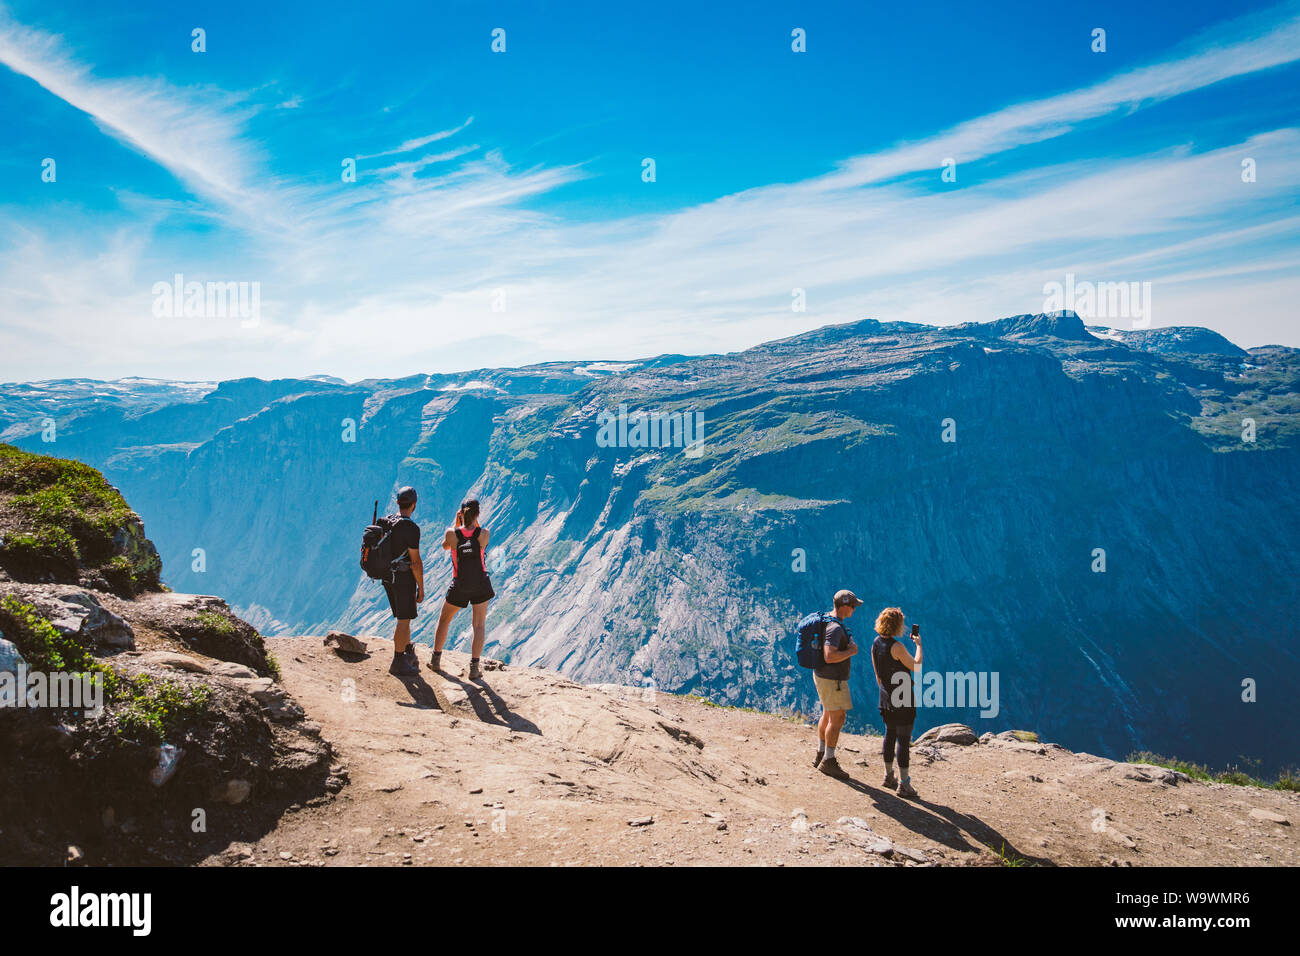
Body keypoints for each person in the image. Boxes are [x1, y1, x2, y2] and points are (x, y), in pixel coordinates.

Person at [428, 498, 495, 681]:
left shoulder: (451, 534)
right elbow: (478, 534)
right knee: (479, 625)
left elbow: (445, 546)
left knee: (444, 620)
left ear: (461, 513)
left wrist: (457, 524)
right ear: (477, 514)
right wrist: (473, 522)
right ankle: (474, 668)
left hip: (459, 584)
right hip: (480, 584)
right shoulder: (484, 534)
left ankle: (436, 659)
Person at [870, 607, 922, 799]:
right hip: (902, 699)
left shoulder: (876, 643)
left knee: (889, 734)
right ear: (897, 625)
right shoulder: (897, 647)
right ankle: (904, 784)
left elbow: (879, 674)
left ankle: (888, 775)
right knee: (903, 739)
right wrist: (919, 645)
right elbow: (916, 665)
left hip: (885, 697)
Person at [813, 589, 864, 779]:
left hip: (823, 676)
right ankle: (829, 761)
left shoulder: (827, 619)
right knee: (838, 719)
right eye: (852, 606)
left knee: (827, 714)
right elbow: (829, 655)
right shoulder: (834, 628)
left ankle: (820, 753)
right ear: (843, 606)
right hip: (832, 679)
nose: (854, 609)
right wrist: (851, 651)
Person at [383, 486, 424, 676]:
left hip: (388, 577)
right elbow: (415, 562)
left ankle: (406, 652)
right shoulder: (410, 528)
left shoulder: (388, 521)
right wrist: (421, 589)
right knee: (403, 620)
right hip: (403, 578)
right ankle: (398, 661)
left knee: (404, 618)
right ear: (414, 505)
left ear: (398, 503)